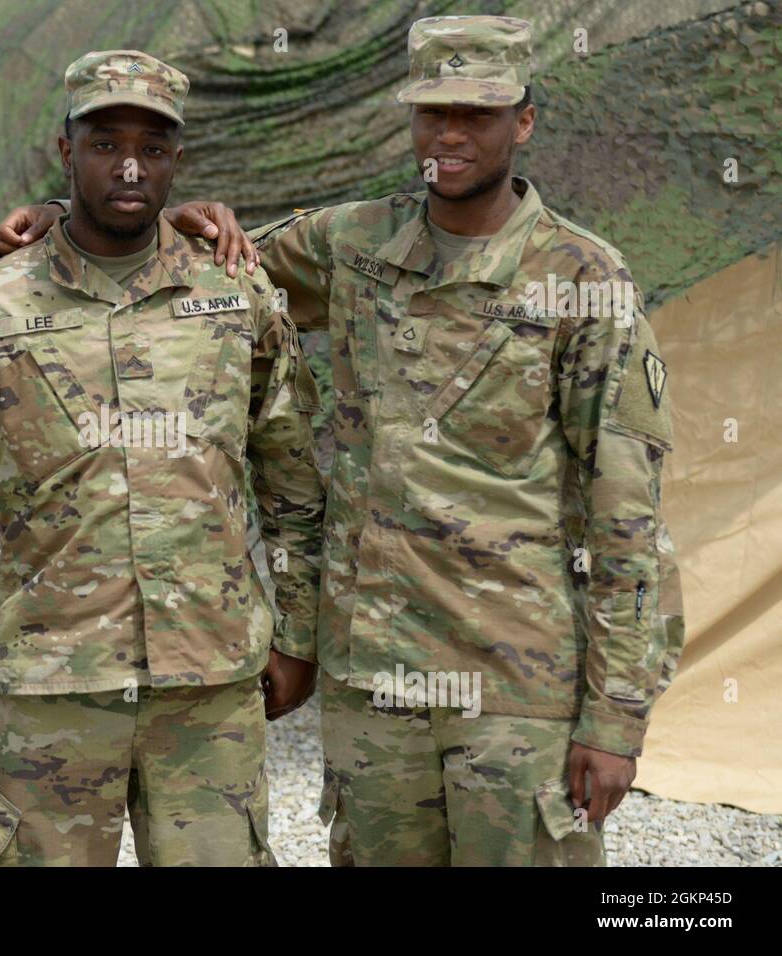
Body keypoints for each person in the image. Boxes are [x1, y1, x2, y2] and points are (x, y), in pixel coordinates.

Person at [248, 15, 684, 865]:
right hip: (375, 679)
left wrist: (615, 717)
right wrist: (60, 222)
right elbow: (212, 267)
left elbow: (626, 517)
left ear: (523, 120)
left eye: (477, 114)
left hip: (518, 688)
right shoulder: (354, 243)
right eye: (431, 111)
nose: (449, 133)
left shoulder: (582, 280)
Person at [0, 50, 325, 866]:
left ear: (177, 161)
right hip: (53, 681)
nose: (129, 165)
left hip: (209, 683)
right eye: (105, 141)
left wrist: (297, 633)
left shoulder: (234, 295)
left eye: (153, 148)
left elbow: (290, 474)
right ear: (65, 150)